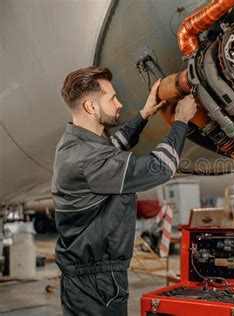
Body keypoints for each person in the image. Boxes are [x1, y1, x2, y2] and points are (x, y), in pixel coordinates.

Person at [51, 66, 196, 315]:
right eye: (112, 98)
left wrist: (144, 114)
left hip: (86, 277)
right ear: (91, 107)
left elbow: (113, 147)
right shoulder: (89, 160)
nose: (119, 104)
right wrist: (181, 120)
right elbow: (161, 167)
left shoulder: (75, 144)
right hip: (97, 282)